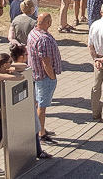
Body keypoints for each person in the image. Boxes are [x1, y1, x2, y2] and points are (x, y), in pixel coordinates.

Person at [26, 12, 61, 141]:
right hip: (43, 77)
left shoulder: (33, 33)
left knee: (37, 103)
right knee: (42, 105)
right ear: (47, 22)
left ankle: (39, 128)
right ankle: (41, 133)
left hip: (35, 75)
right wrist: (52, 77)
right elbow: (46, 61)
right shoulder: (43, 39)